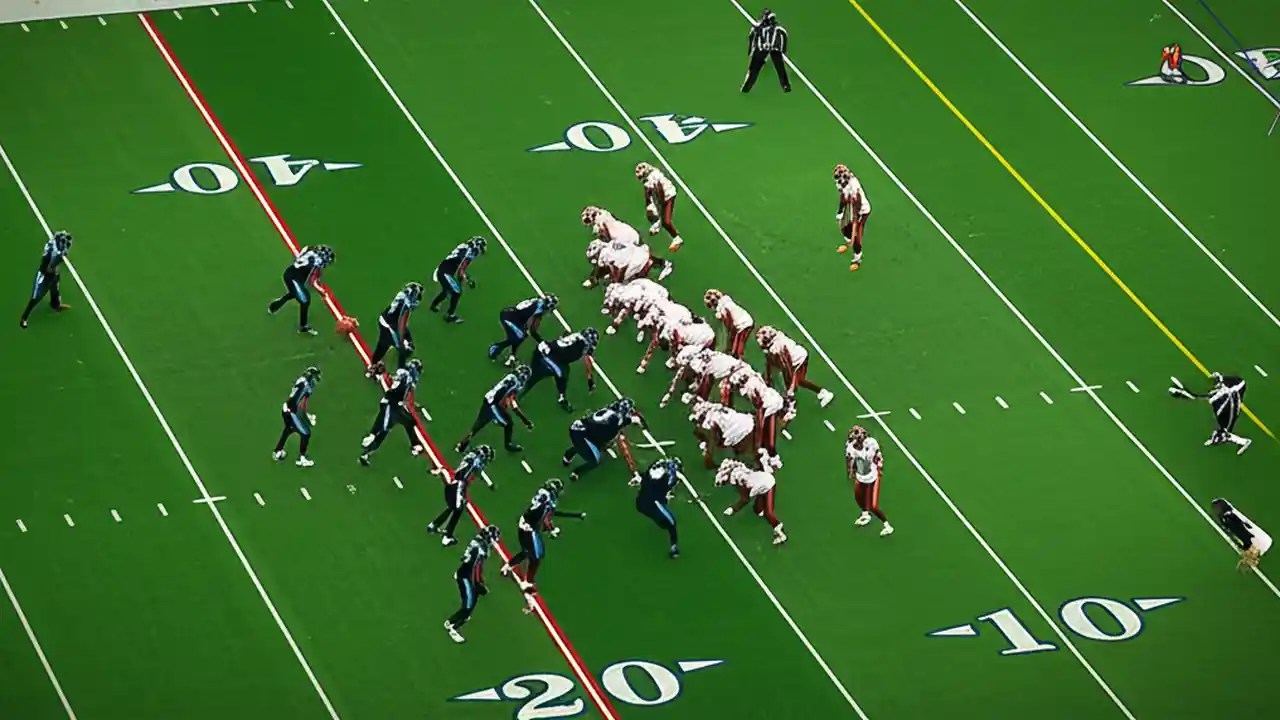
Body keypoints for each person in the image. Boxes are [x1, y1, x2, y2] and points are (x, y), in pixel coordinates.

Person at [1168, 373, 1251, 454]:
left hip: (1230, 408)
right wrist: (1181, 393)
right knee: (1222, 429)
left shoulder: (1222, 393)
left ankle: (1243, 441)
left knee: (1224, 430)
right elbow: (1196, 396)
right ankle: (1232, 439)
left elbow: (1196, 397)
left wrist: (1180, 393)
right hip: (1225, 408)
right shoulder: (1217, 393)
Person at [444, 524, 501, 644]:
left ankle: (461, 617)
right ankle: (452, 626)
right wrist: (479, 584)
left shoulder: (477, 540)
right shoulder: (482, 549)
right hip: (465, 577)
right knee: (468, 605)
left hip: (466, 572)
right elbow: (476, 568)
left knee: (473, 599)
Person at [267, 244, 333, 335]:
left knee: (294, 293)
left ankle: (273, 306)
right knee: (305, 300)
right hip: (294, 279)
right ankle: (303, 327)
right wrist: (321, 291)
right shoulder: (317, 263)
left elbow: (299, 256)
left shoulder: (308, 250)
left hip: (291, 273)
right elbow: (312, 282)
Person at [272, 366, 321, 467]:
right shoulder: (307, 387)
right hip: (291, 412)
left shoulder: (301, 380)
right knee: (306, 433)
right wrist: (307, 419)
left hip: (286, 407)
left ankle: (278, 451)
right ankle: (302, 458)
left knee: (289, 429)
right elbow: (302, 406)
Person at [741, 8, 790, 93]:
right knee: (753, 70)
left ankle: (785, 85)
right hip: (761, 49)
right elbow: (751, 36)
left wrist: (783, 49)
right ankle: (746, 88)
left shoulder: (777, 28)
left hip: (773, 48)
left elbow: (784, 35)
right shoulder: (758, 27)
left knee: (780, 67)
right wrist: (751, 48)